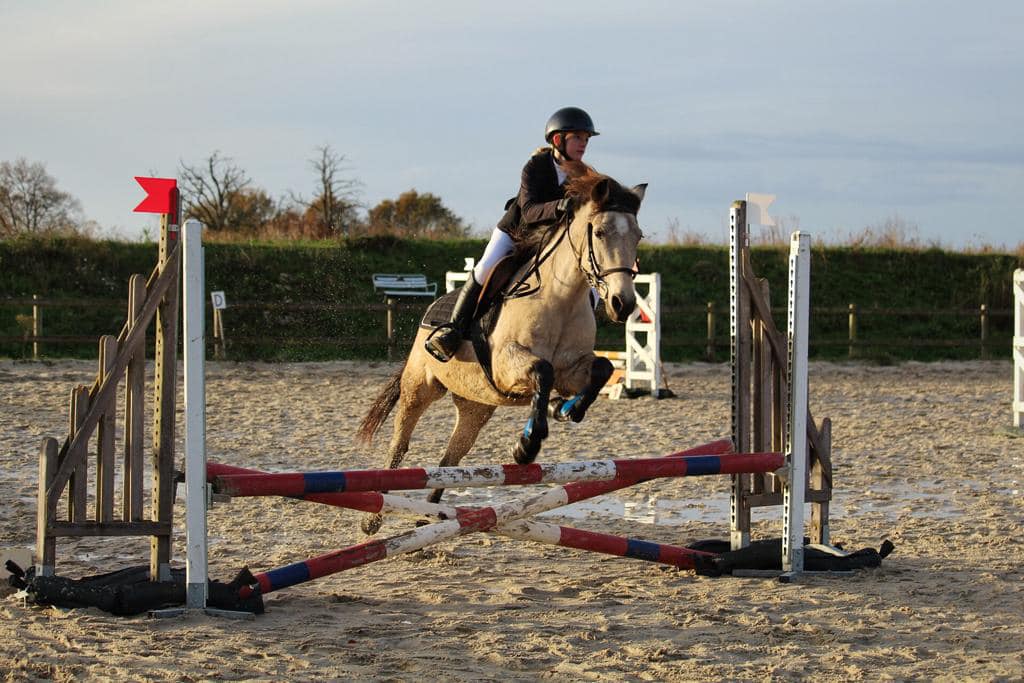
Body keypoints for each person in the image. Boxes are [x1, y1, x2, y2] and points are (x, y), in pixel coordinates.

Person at [424, 106, 599, 362]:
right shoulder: (536, 167)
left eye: (586, 139)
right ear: (558, 139)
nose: (583, 144)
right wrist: (560, 206)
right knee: (485, 268)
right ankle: (452, 331)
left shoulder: (584, 175)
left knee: (591, 286)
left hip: (550, 242)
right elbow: (529, 211)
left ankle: (575, 340)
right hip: (516, 233)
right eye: (578, 137)